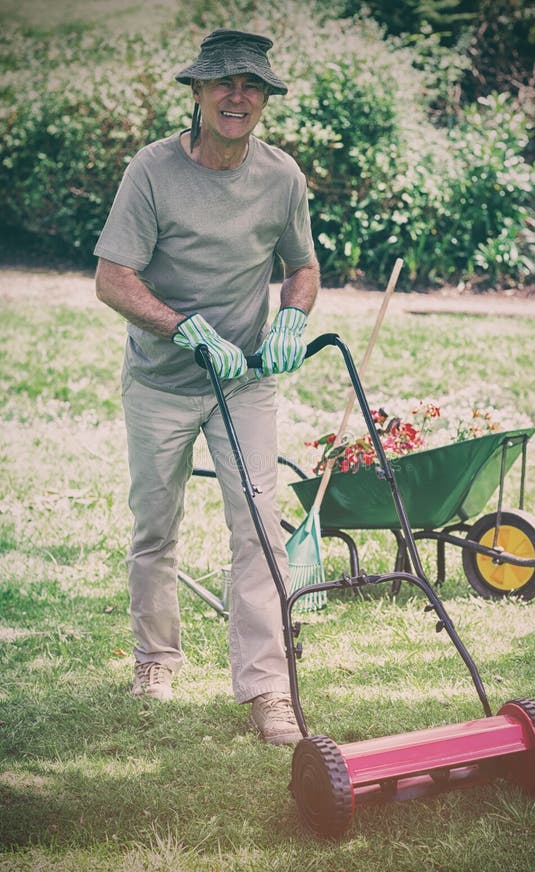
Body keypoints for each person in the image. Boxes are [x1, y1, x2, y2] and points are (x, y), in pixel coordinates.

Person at [94, 28, 320, 746]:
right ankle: (156, 660)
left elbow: (302, 266)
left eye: (251, 86)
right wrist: (181, 327)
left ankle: (267, 691)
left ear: (265, 100)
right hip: (162, 381)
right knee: (155, 527)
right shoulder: (153, 171)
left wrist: (292, 316)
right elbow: (112, 278)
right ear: (196, 92)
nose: (237, 96)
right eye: (223, 83)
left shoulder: (281, 176)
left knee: (259, 528)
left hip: (245, 382)